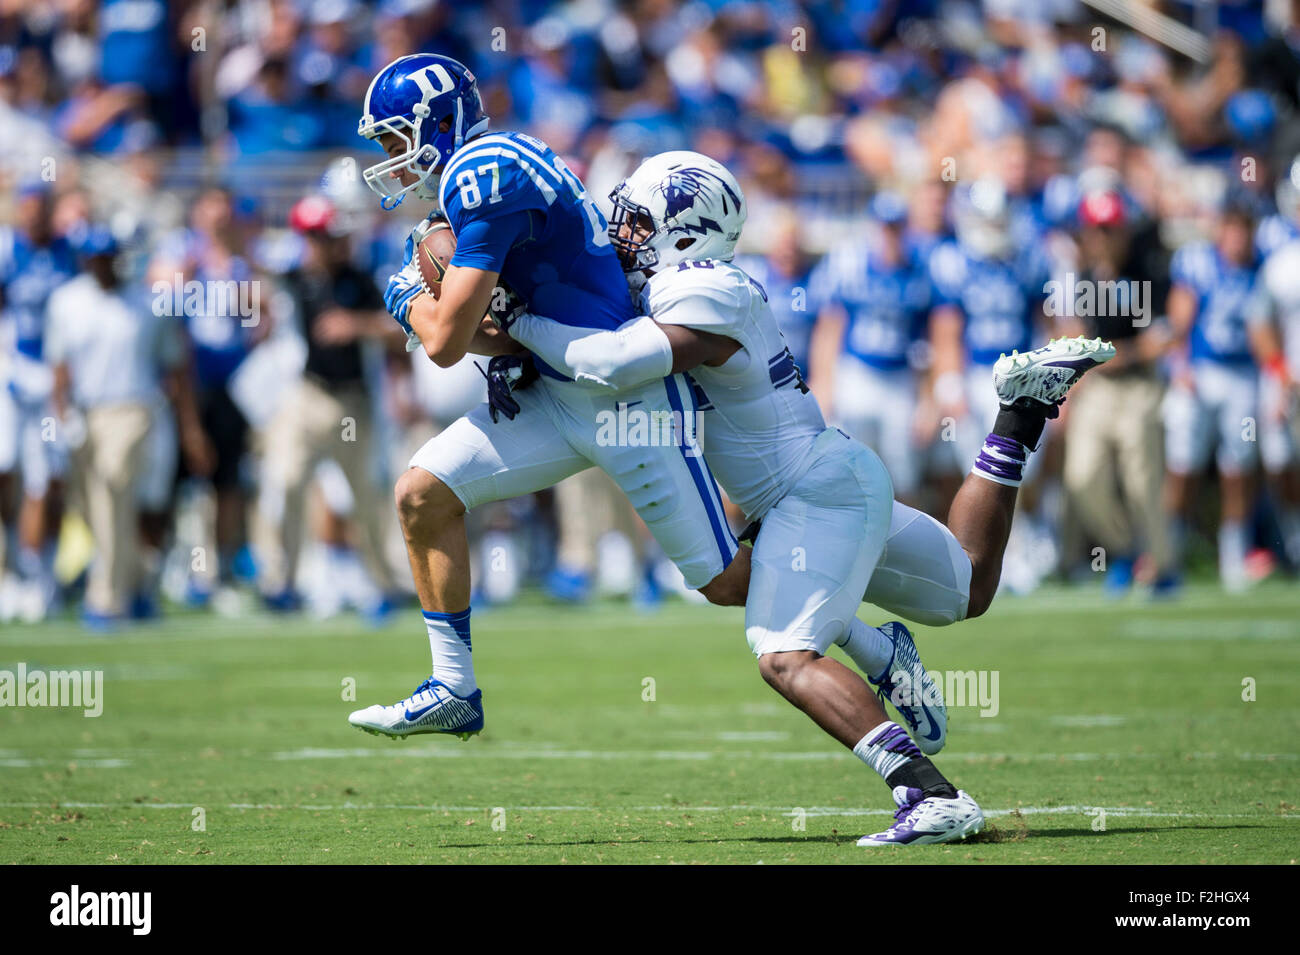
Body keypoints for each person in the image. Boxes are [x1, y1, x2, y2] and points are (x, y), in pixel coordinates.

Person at [501, 152, 1115, 845]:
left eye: (638, 221)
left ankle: (929, 791)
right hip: (825, 485)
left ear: (685, 231)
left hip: (811, 492)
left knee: (784, 653)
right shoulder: (679, 287)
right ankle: (1017, 417)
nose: (624, 235)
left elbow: (609, 362)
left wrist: (517, 320)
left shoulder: (708, 290)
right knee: (964, 586)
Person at [345, 55, 750, 741]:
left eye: (396, 139)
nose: (391, 158)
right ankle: (453, 686)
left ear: (440, 124)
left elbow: (443, 343)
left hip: (623, 397)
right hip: (554, 392)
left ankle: (873, 636)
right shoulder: (484, 174)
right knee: (422, 493)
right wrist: (442, 315)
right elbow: (503, 339)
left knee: (725, 582)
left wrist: (409, 300)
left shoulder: (484, 171)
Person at [46, 227, 209, 626]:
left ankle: (106, 598)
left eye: (107, 257)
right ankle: (140, 582)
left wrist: (190, 428)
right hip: (85, 414)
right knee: (91, 509)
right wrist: (61, 416)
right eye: (95, 258)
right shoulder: (67, 302)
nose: (102, 266)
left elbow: (175, 369)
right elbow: (60, 368)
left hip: (133, 411)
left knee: (113, 491)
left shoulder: (149, 304)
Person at [253, 194, 402, 611]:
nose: (325, 244)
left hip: (353, 400)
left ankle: (382, 581)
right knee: (284, 482)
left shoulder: (357, 278)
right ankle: (280, 581)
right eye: (317, 236)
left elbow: (398, 327)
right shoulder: (296, 278)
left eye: (329, 235)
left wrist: (356, 325)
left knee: (365, 496)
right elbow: (253, 271)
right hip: (308, 394)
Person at [1162, 201, 1270, 591]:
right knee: (1182, 466)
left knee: (1238, 468)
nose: (1238, 238)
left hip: (1243, 375)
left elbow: (1264, 326)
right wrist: (1180, 366)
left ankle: (1233, 555)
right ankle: (1168, 550)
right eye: (1232, 228)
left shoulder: (1260, 266)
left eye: (1244, 229)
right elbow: (1179, 321)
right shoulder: (1198, 263)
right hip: (1201, 373)